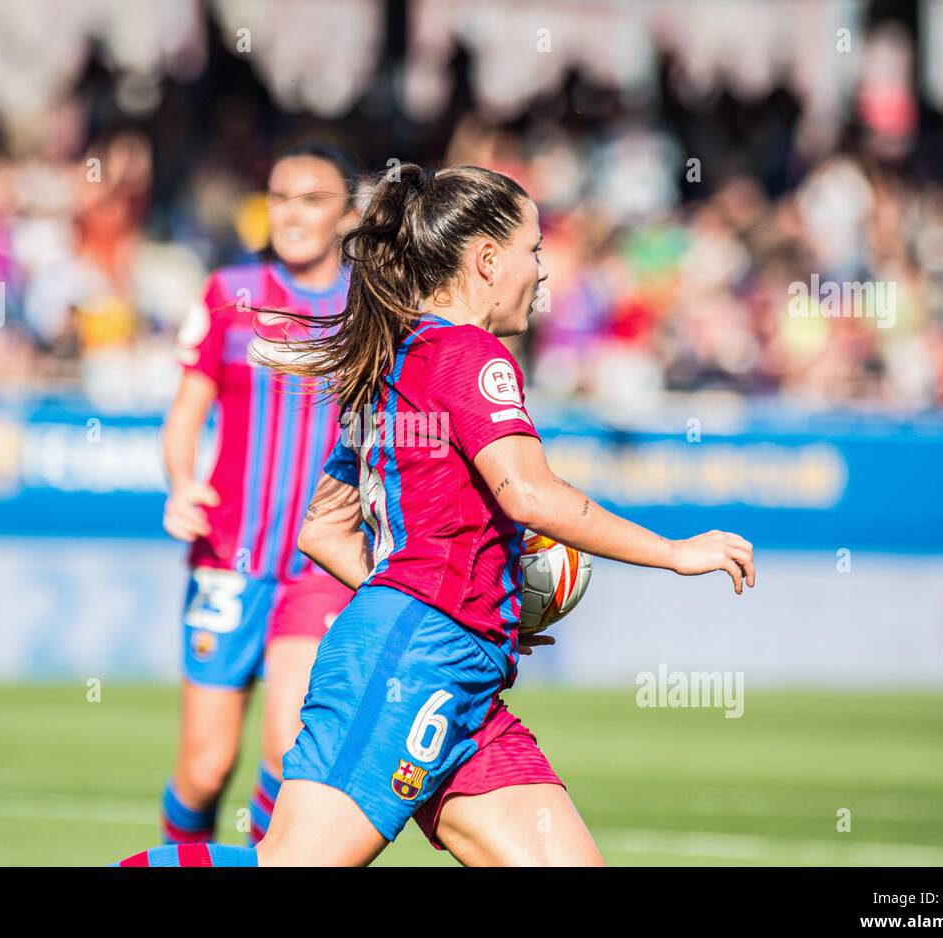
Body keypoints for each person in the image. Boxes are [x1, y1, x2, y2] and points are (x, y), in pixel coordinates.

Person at [121, 163, 755, 867]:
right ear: (487, 259)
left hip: (459, 669)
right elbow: (529, 494)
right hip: (415, 661)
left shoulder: (392, 359)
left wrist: (477, 604)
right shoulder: (467, 353)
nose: (542, 272)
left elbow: (322, 530)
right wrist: (674, 552)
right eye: (533, 250)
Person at [158, 142, 359, 847]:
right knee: (206, 768)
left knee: (285, 755)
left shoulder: (372, 309)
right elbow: (186, 413)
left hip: (318, 568)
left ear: (348, 214)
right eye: (280, 197)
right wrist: (182, 484)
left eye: (313, 199)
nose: (292, 213)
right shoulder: (226, 293)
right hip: (227, 559)